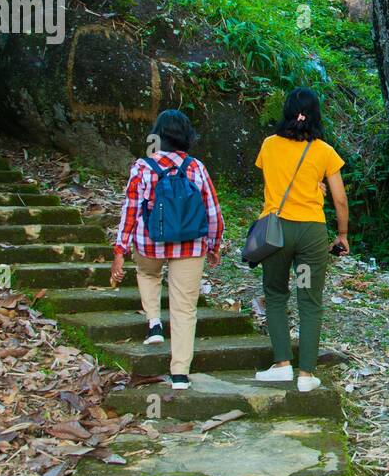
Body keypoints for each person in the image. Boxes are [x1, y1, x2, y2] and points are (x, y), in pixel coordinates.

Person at [109, 110, 224, 391]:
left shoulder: (143, 166)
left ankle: (154, 323)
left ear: (158, 135)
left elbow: (131, 210)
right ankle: (180, 374)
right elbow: (212, 210)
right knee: (185, 308)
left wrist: (120, 249)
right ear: (186, 136)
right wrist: (214, 244)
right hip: (191, 244)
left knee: (148, 275)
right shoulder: (196, 167)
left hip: (151, 242)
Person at [252, 88, 349, 393]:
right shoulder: (324, 151)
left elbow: (273, 183)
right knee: (308, 300)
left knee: (277, 295)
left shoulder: (268, 145)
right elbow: (341, 199)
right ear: (316, 114)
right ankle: (306, 374)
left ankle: (282, 365)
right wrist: (343, 234)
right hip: (310, 235)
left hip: (276, 233)